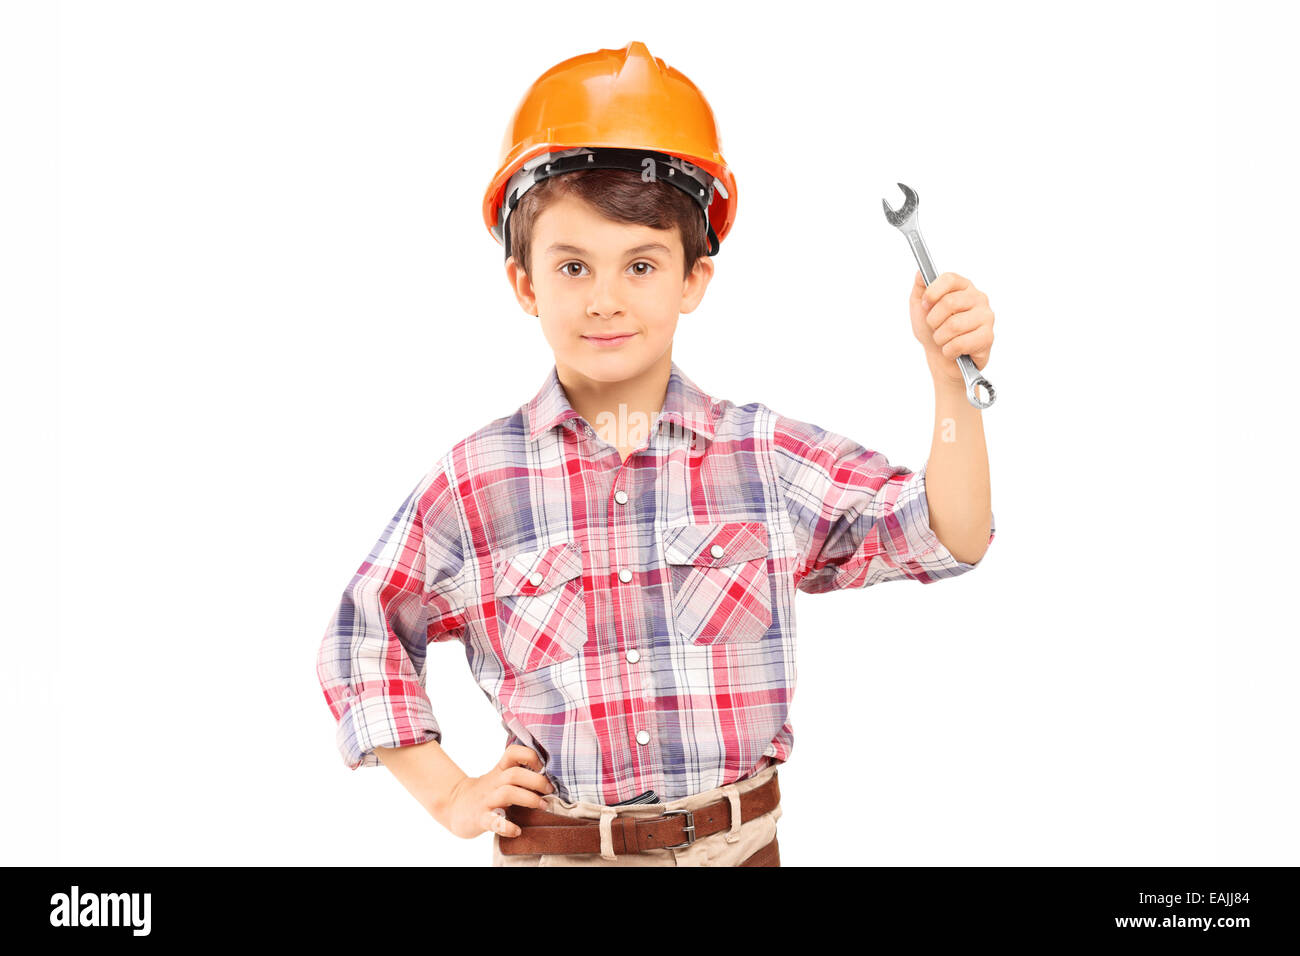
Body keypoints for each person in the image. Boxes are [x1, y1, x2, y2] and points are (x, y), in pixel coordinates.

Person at [315, 40, 997, 867]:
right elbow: (363, 634)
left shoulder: (762, 456)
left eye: (640, 264)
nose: (605, 300)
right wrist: (449, 792)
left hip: (738, 852)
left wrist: (947, 379)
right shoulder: (478, 483)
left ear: (692, 280)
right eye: (573, 266)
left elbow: (946, 534)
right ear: (525, 283)